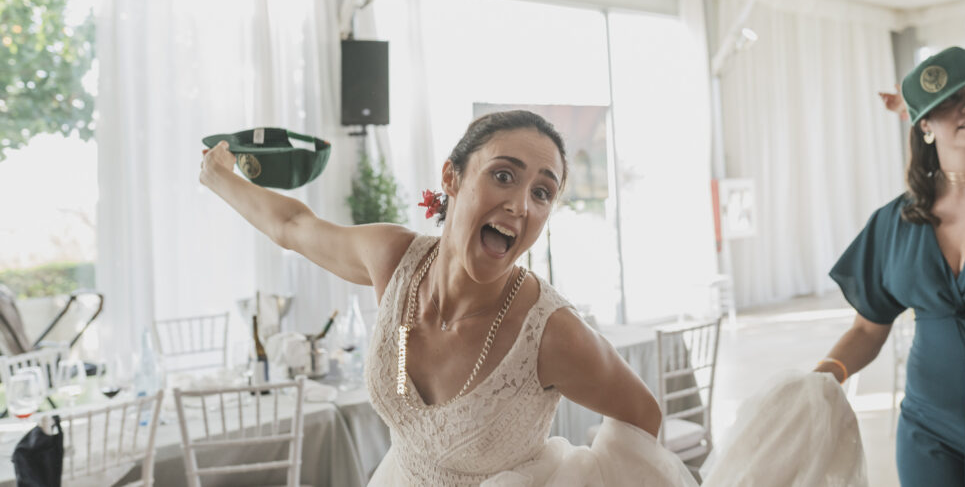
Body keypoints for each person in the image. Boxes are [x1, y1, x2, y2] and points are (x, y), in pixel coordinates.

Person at [201, 109, 695, 485]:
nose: (520, 204)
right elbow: (294, 225)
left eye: (542, 193)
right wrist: (220, 175)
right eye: (504, 175)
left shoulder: (551, 332)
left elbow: (642, 417)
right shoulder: (393, 260)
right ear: (452, 177)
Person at [816, 46, 965, 486]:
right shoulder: (895, 221)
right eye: (951, 99)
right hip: (928, 429)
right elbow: (868, 329)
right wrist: (823, 377)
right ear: (924, 125)